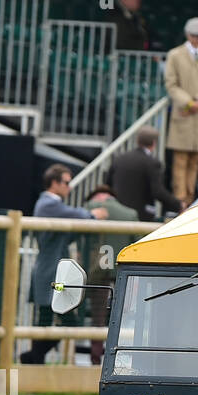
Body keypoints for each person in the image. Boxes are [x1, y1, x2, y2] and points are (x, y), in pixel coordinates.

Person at [20, 164, 105, 366]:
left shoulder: (51, 206)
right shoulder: (49, 204)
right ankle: (32, 359)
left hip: (51, 270)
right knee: (62, 320)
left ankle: (32, 359)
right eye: (66, 183)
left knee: (48, 318)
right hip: (51, 271)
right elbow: (75, 215)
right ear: (54, 183)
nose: (69, 187)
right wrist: (93, 215)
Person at [165, 17, 198, 206]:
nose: (196, 39)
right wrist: (188, 102)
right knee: (180, 161)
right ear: (187, 34)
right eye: (193, 35)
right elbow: (171, 84)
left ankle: (190, 200)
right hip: (183, 113)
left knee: (195, 161)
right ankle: (179, 201)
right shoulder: (175, 55)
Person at [82, 184, 137, 364]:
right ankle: (118, 358)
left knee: (97, 318)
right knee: (124, 316)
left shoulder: (90, 208)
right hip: (123, 272)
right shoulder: (130, 214)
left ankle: (95, 358)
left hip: (97, 272)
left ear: (97, 196)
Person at [109, 126, 184, 220]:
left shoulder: (119, 159)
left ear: (137, 140)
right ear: (154, 143)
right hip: (141, 215)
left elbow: (108, 185)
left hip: (118, 213)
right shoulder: (152, 163)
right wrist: (178, 205)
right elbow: (158, 191)